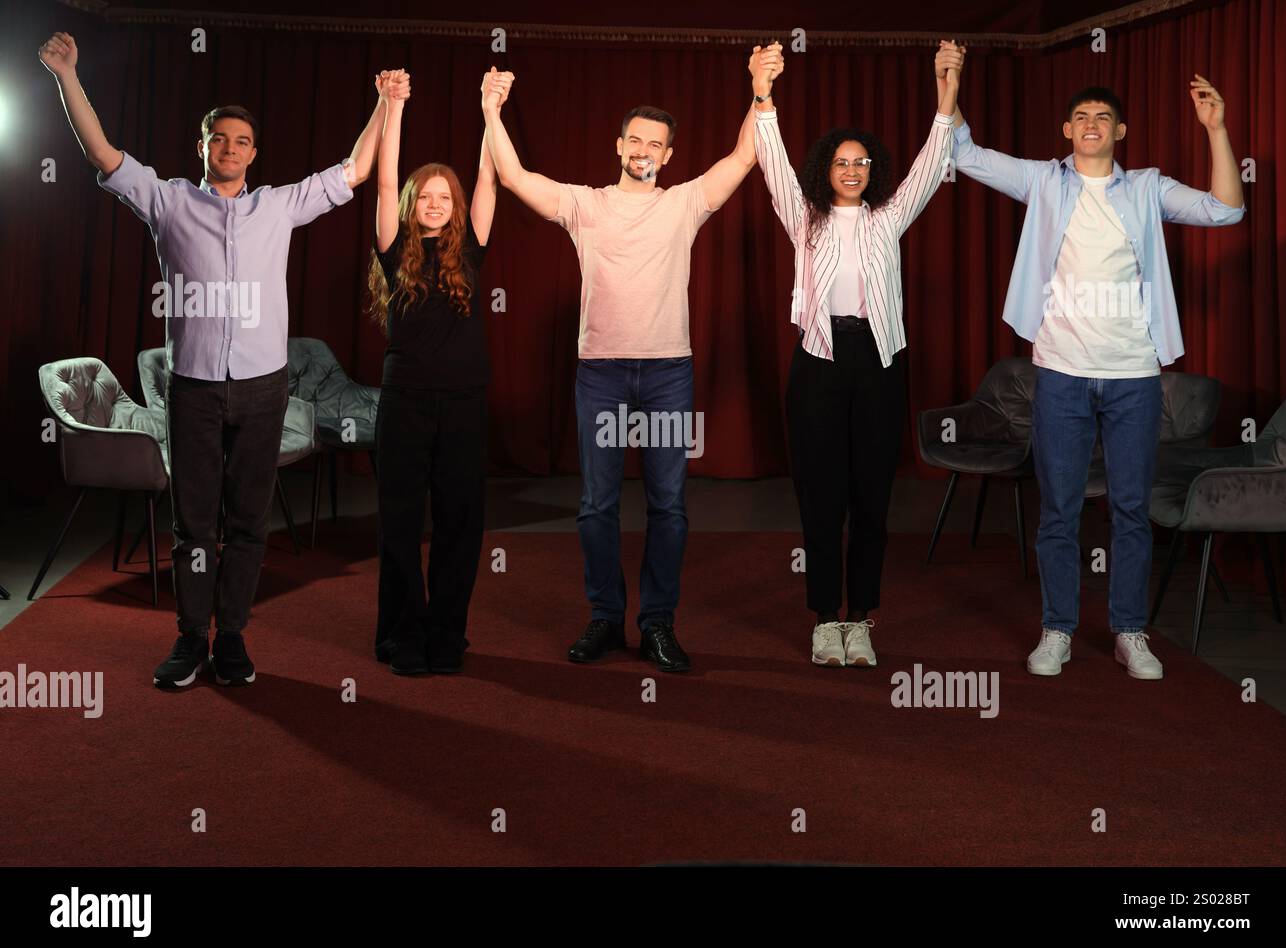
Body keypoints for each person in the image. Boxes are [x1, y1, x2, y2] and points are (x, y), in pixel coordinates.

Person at [40, 31, 388, 688]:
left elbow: (356, 170)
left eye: (240, 140)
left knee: (250, 521)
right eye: (217, 138)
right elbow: (101, 151)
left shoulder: (277, 206)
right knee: (194, 524)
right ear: (200, 147)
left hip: (262, 390)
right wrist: (66, 75)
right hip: (195, 390)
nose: (228, 148)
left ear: (255, 153)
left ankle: (231, 636)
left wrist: (383, 102)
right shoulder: (167, 200)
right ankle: (188, 639)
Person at [950, 73, 1245, 679]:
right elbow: (963, 153)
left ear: (1120, 131)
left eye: (1103, 118)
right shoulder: (1042, 180)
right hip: (1060, 374)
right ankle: (1057, 628)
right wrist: (948, 88)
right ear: (1067, 130)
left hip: (1134, 376)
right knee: (1059, 508)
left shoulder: (1145, 188)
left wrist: (1216, 130)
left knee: (1130, 509)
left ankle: (1129, 631)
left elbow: (1224, 210)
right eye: (1081, 116)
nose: (1091, 125)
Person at [480, 63, 760, 673]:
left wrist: (761, 92)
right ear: (619, 146)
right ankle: (605, 618)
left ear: (668, 154)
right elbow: (512, 175)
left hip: (666, 374)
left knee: (669, 505)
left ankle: (657, 623)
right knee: (597, 504)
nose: (643, 151)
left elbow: (742, 158)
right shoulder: (585, 205)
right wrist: (492, 110)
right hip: (601, 373)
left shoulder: (684, 203)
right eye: (635, 140)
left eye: (655, 144)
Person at [753, 42, 963, 667]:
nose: (851, 170)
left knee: (872, 495)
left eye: (861, 162)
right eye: (842, 162)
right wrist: (763, 96)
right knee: (821, 495)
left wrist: (945, 90)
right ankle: (824, 619)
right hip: (818, 362)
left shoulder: (889, 219)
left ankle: (861, 620)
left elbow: (931, 162)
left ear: (873, 170)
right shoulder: (805, 218)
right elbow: (773, 164)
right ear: (827, 168)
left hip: (878, 363)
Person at [366, 69, 508, 676]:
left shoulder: (472, 247)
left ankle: (448, 631)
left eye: (442, 197)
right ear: (410, 203)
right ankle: (403, 633)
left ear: (454, 209)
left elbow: (487, 174)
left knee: (460, 522)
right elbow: (385, 174)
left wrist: (488, 109)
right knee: (399, 520)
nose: (433, 202)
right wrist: (391, 107)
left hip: (464, 403)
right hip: (405, 403)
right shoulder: (395, 246)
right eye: (425, 195)